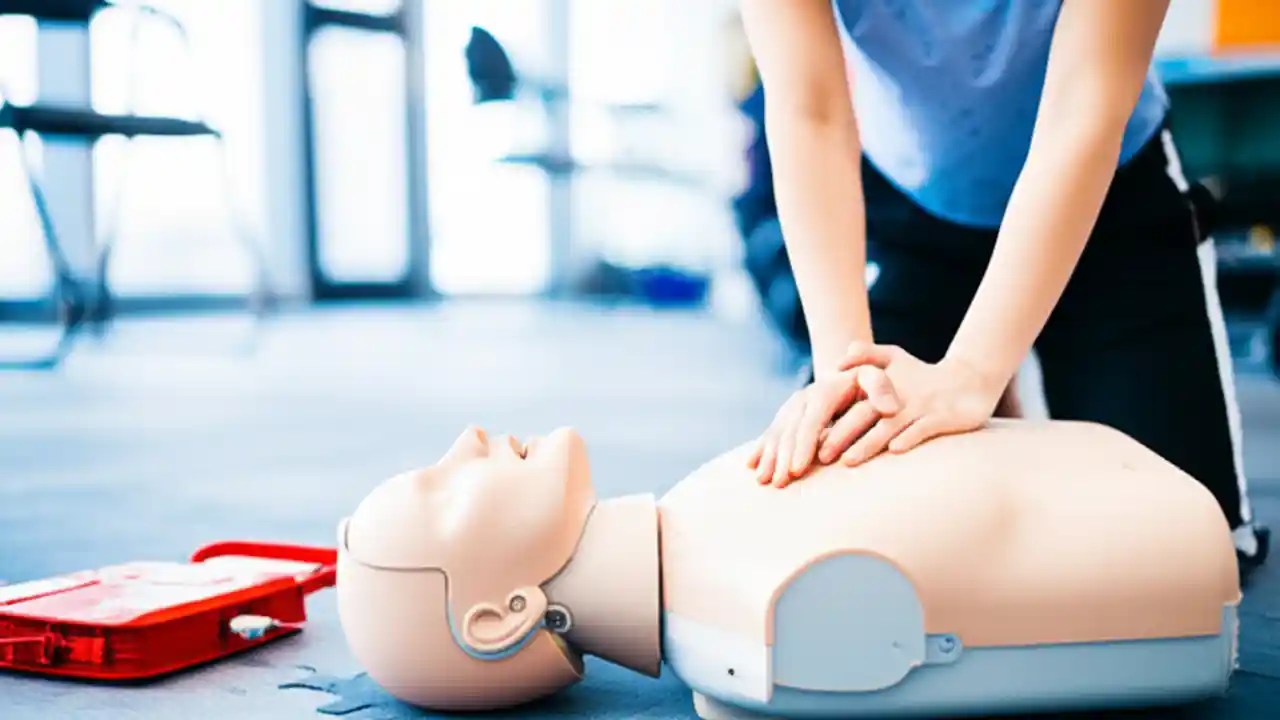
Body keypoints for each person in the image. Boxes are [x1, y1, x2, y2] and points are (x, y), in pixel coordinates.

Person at [737, 0, 1267, 573]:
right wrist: (846, 370)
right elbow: (808, 109)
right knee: (841, 513)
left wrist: (972, 373)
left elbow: (1083, 109)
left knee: (1188, 555)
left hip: (1111, 203)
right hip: (915, 201)